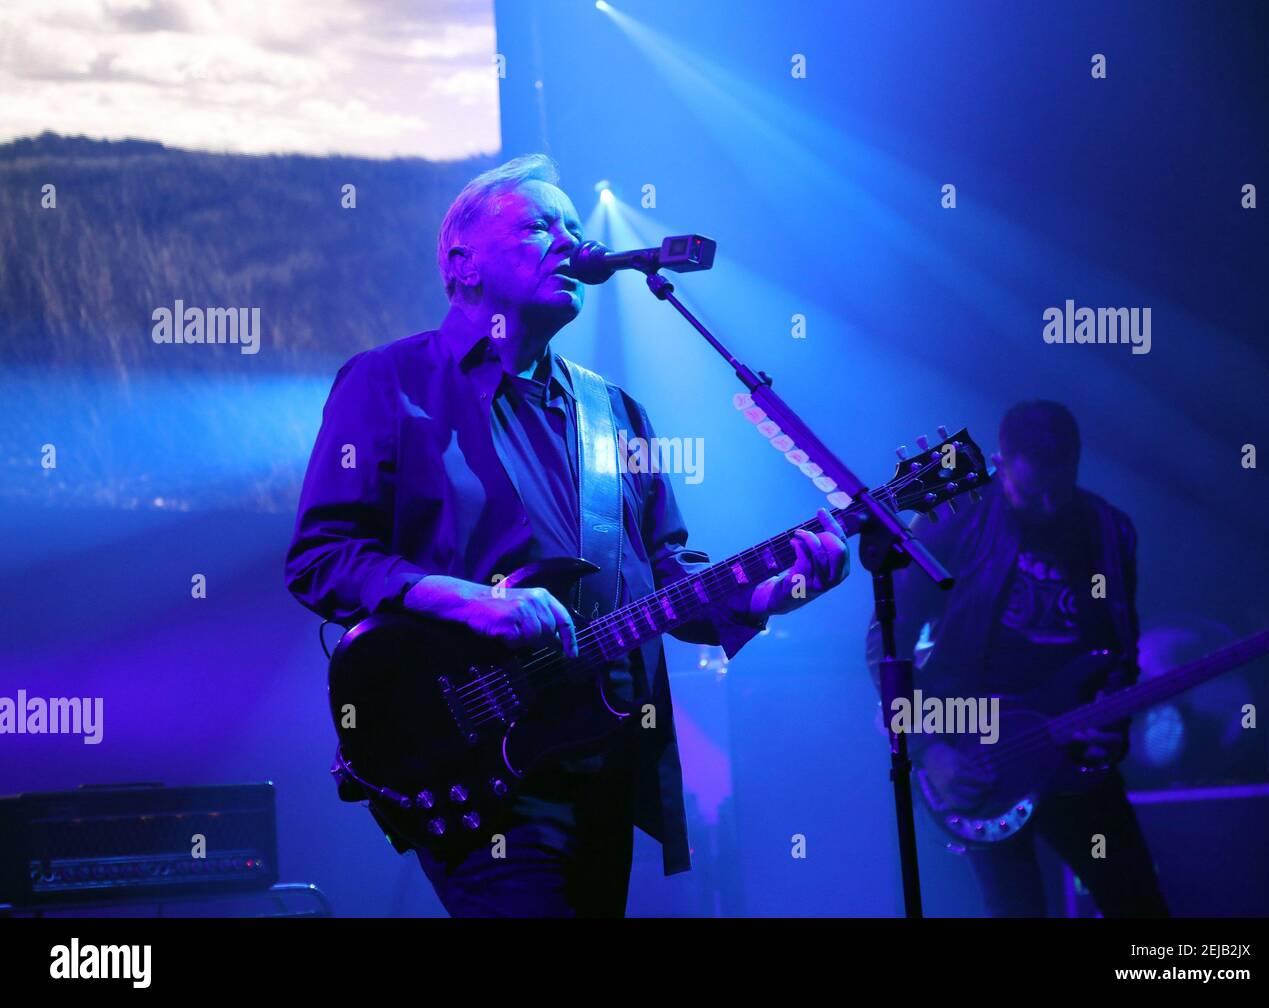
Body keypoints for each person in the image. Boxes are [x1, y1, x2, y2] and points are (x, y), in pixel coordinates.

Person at [285, 154, 850, 917]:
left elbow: (668, 575)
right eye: (540, 226)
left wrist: (769, 593)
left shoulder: (615, 413)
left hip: (601, 759)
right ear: (463, 265)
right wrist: (466, 601)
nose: (572, 243)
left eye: (577, 229)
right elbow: (322, 558)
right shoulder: (389, 383)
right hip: (473, 755)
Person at [867, 400, 1167, 917]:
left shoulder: (1110, 531)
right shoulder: (953, 526)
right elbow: (886, 642)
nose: (1049, 505)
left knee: (1142, 914)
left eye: (1060, 487)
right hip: (977, 754)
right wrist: (928, 749)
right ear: (1002, 465)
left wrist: (1113, 723)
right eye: (1032, 492)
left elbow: (1122, 650)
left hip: (1073, 752)